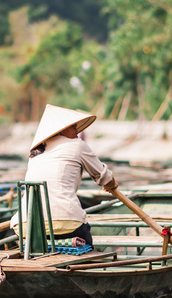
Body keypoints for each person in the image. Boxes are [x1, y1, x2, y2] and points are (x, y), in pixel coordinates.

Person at [11, 104, 117, 246]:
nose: (76, 131)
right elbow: (105, 177)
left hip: (25, 225)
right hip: (66, 223)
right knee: (88, 242)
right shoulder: (77, 145)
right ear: (61, 129)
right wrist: (111, 185)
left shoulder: (35, 153)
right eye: (73, 127)